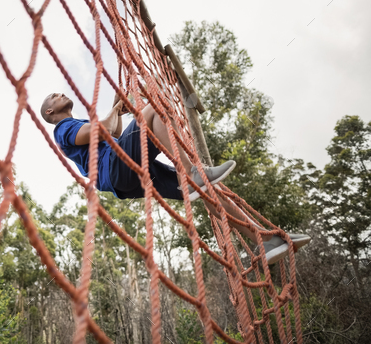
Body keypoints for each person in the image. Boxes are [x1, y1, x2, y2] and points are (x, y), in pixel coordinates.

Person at [40, 92, 310, 264]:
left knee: (209, 191)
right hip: (115, 169)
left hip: (126, 176)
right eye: (53, 96)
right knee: (157, 108)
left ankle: (264, 242)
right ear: (50, 113)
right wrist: (113, 115)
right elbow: (104, 129)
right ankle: (190, 174)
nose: (59, 93)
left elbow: (114, 134)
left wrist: (117, 110)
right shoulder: (63, 129)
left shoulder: (75, 126)